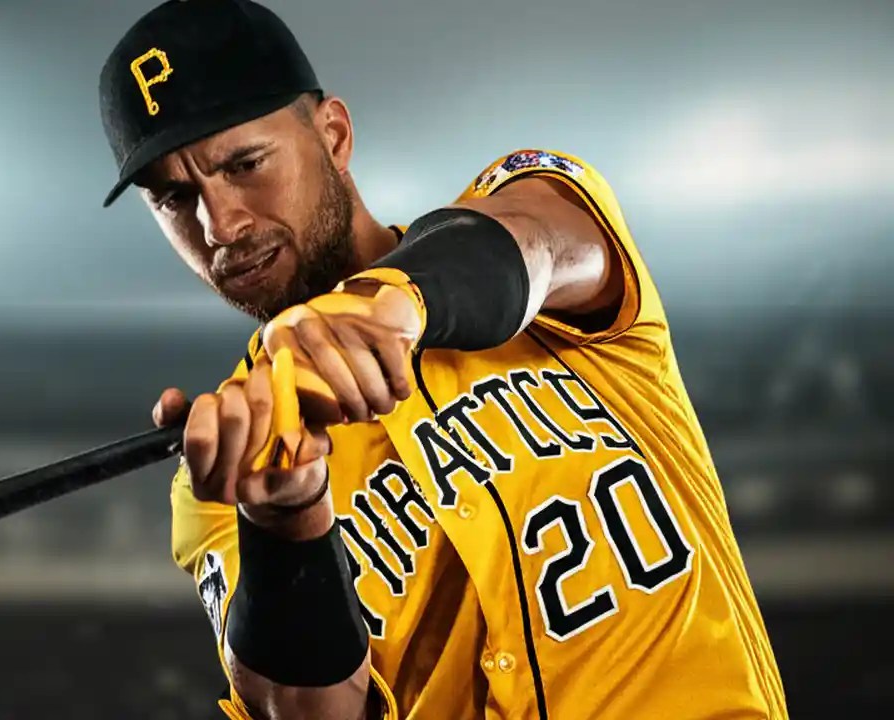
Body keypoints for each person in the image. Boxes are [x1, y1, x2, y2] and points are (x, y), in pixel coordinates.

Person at [98, 1, 788, 718]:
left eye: (244, 164)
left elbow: (539, 240)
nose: (222, 225)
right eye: (176, 198)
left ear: (333, 135)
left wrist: (392, 302)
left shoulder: (526, 236)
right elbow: (307, 714)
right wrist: (286, 519)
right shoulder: (225, 467)